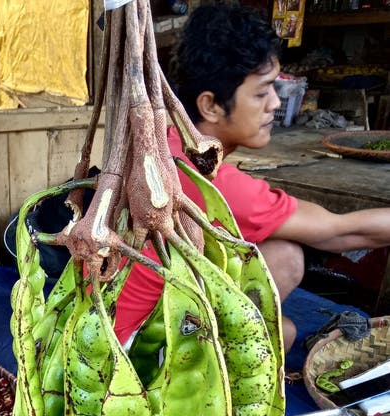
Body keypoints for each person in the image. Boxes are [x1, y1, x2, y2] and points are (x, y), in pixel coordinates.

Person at [115, 3, 390, 352]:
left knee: (276, 261)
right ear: (211, 105)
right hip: (134, 350)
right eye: (262, 92)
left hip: (105, 324)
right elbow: (341, 232)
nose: (275, 103)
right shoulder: (213, 184)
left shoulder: (167, 147)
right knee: (284, 298)